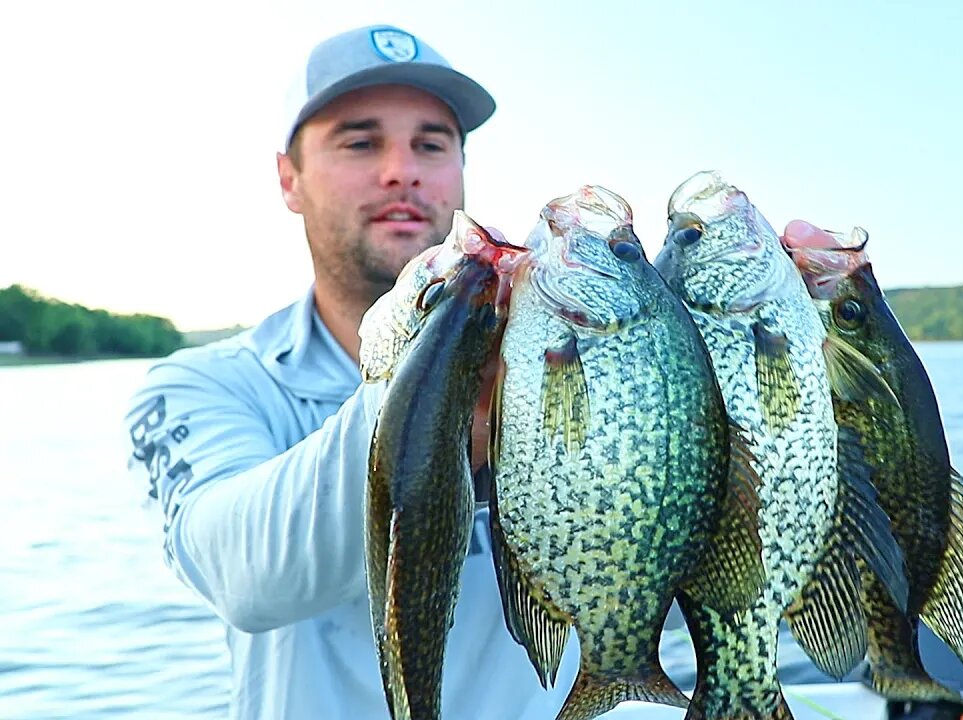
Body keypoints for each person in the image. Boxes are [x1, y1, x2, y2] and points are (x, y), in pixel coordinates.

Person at [122, 20, 836, 720]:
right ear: (289, 178)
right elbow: (241, 574)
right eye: (360, 141)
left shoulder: (551, 337)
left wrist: (777, 354)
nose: (399, 168)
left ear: (460, 171)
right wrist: (445, 388)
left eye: (430, 143)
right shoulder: (205, 385)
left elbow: (684, 517)